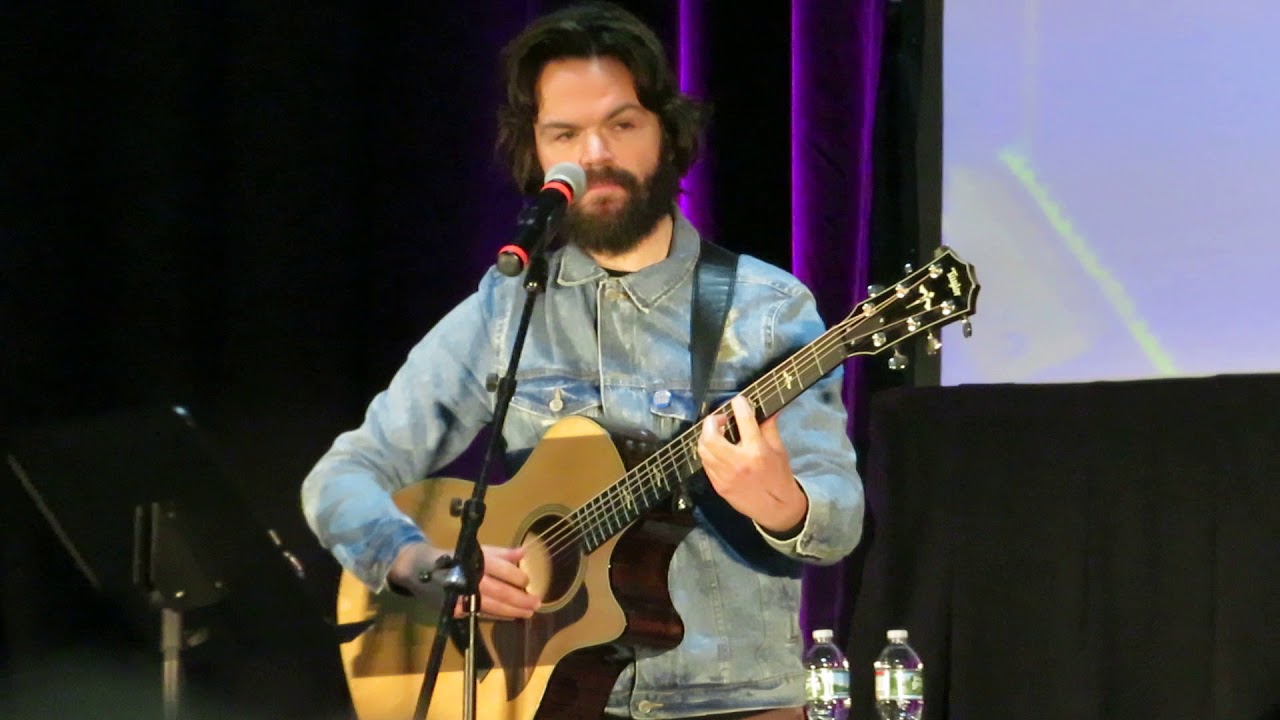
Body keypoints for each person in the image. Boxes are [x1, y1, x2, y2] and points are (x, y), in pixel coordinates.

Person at [300, 2, 864, 718]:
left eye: (621, 124)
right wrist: (427, 567)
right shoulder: (507, 306)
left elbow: (838, 519)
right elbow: (342, 480)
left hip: (730, 701)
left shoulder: (764, 307)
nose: (595, 154)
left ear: (666, 131)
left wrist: (781, 504)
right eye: (565, 133)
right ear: (535, 151)